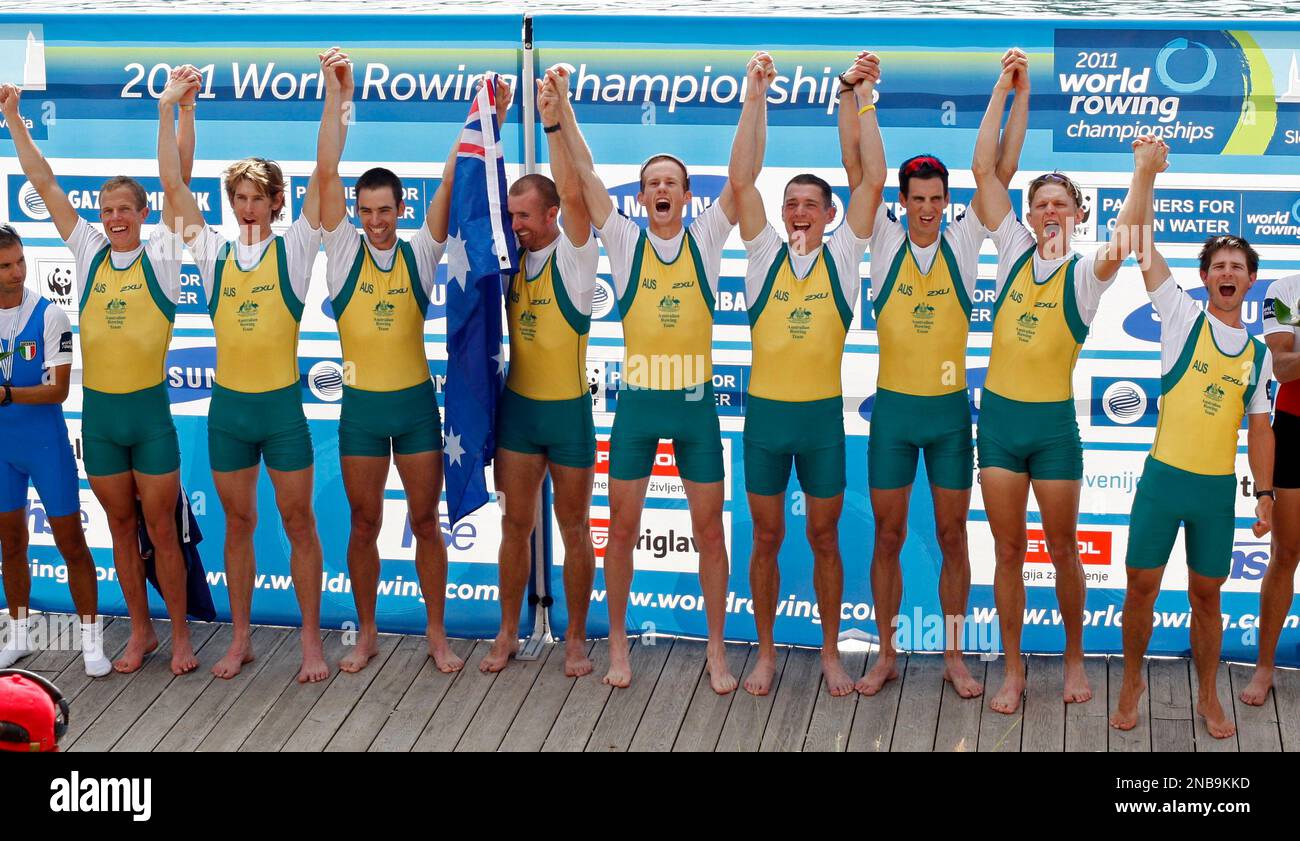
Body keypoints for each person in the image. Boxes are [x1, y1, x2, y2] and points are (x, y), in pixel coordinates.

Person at [548, 55, 757, 693]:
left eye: (672, 182)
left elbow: (744, 174)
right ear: (641, 197)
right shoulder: (624, 241)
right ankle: (616, 649)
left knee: (709, 536)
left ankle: (718, 653)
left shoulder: (710, 236)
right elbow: (582, 176)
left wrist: (755, 94)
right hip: (638, 407)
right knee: (622, 534)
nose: (662, 190)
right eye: (652, 184)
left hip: (695, 409)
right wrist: (562, 105)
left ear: (686, 195)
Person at [970, 50, 1154, 713]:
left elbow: (1129, 235)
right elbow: (983, 169)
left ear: (1076, 214)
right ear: (1030, 214)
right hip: (998, 424)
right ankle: (1014, 670)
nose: (1050, 211)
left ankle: (1075, 654)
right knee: (1009, 549)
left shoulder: (1083, 275)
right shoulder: (1013, 250)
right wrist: (1004, 90)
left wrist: (1142, 171)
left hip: (1051, 430)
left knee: (1064, 550)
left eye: (1060, 203)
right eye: (1040, 203)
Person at [316, 60, 511, 675]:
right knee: (365, 522)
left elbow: (457, 178)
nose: (376, 220)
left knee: (427, 521)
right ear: (355, 211)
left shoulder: (423, 253)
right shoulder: (343, 250)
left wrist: (490, 117)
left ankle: (436, 634)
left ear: (402, 209)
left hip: (418, 411)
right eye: (366, 210)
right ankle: (367, 632)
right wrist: (336, 99)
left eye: (386, 210)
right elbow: (324, 170)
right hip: (363, 415)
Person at [1, 83, 195, 675]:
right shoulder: (87, 251)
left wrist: (179, 112)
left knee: (162, 530)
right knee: (119, 526)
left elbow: (177, 180)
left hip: (149, 417)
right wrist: (12, 117)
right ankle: (140, 634)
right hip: (103, 420)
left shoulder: (163, 253)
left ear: (141, 215)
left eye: (124, 210)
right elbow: (46, 185)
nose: (114, 218)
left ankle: (181, 635)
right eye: (106, 209)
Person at [851, 49, 1025, 699]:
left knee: (954, 535)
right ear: (903, 201)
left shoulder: (964, 241)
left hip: (951, 415)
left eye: (936, 199)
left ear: (948, 201)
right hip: (894, 414)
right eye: (916, 199)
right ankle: (887, 653)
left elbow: (994, 168)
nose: (927, 209)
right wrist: (866, 95)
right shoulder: (885, 240)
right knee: (890, 534)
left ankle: (954, 654)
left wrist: (1002, 89)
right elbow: (867, 171)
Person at [157, 64, 328, 683]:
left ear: (276, 201)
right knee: (238, 526)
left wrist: (335, 96)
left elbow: (327, 171)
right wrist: (179, 110)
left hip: (281, 411)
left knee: (299, 523)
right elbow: (173, 186)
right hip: (228, 412)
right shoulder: (212, 252)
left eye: (258, 196)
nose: (247, 206)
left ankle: (311, 642)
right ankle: (240, 640)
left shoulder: (297, 249)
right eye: (238, 198)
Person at [1111, 149, 1274, 738]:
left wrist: (1266, 494)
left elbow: (1259, 429)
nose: (1228, 274)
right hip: (1163, 482)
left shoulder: (1259, 357)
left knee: (1207, 597)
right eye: (1218, 266)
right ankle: (1132, 681)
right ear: (1205, 276)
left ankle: (1208, 693)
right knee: (1141, 588)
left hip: (1212, 491)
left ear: (1250, 280)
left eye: (1238, 267)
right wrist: (1146, 174)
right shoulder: (1180, 316)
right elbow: (1140, 240)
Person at [728, 52, 874, 697]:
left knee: (822, 538)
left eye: (811, 204)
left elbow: (869, 180)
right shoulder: (762, 252)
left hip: (819, 423)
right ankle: (763, 652)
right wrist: (754, 96)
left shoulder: (844, 255)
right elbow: (741, 180)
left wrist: (860, 96)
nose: (798, 211)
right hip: (765, 420)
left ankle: (830, 653)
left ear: (828, 213)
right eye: (791, 203)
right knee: (765, 535)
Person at [478, 73, 597, 676]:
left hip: (569, 414)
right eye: (512, 215)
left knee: (575, 527)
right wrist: (493, 120)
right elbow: (477, 201)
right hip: (519, 415)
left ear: (551, 214)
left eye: (525, 216)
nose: (516, 224)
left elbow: (576, 190)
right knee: (514, 524)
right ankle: (507, 633)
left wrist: (553, 119)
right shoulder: (509, 257)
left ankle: (575, 637)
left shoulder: (576, 253)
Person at [0, 223, 111, 677]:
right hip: (2, 449)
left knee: (72, 543)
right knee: (10, 544)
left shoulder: (49, 316)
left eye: (21, 261)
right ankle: (21, 635)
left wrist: (6, 395)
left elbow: (58, 390)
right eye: (5, 266)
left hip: (45, 445)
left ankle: (90, 641)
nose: (17, 272)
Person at [1241, 261, 1300, 705]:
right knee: (1286, 553)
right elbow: (1280, 367)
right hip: (1296, 428)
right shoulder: (1285, 289)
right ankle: (1264, 667)